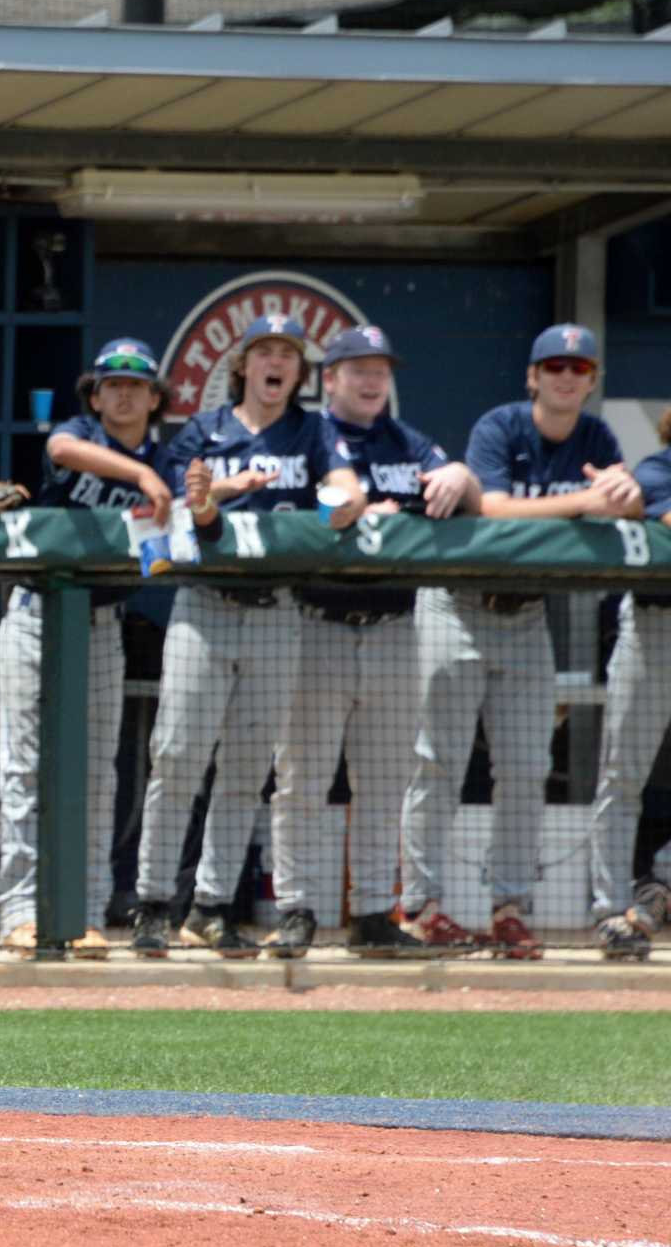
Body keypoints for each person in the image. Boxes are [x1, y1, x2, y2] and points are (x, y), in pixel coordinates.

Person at [399, 322, 641, 960]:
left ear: (591, 381)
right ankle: (421, 908)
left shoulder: (596, 436)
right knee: (437, 761)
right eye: (555, 367)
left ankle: (509, 908)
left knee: (528, 768)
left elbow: (620, 506)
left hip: (527, 615)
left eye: (579, 369)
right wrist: (587, 500)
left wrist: (619, 495)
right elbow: (496, 510)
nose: (567, 377)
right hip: (458, 605)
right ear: (533, 377)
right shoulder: (500, 426)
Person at [132, 311, 361, 959]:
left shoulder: (312, 430)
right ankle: (152, 902)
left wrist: (321, 503)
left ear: (299, 369)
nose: (276, 362)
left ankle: (208, 906)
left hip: (276, 610)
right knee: (176, 756)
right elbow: (160, 522)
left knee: (245, 769)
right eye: (264, 350)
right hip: (205, 605)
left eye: (287, 353)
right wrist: (220, 491)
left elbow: (346, 497)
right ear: (243, 363)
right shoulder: (204, 430)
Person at [266, 325, 481, 960]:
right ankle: (296, 908)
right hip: (317, 622)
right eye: (355, 368)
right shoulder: (307, 435)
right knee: (301, 780)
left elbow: (468, 491)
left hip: (393, 625)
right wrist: (360, 507)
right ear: (328, 378)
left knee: (384, 781)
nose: (370, 379)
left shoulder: (405, 440)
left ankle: (370, 916)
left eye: (379, 368)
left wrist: (461, 476)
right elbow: (322, 499)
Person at [0, 338, 169, 960]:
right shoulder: (79, 433)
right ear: (95, 396)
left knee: (98, 777)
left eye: (136, 383)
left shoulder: (169, 458)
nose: (122, 392)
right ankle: (18, 912)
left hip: (101, 624)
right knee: (23, 770)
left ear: (155, 396)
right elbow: (61, 450)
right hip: (35, 614)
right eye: (111, 383)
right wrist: (142, 474)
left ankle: (88, 913)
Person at [589, 408, 671, 960]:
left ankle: (657, 886)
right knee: (622, 773)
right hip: (656, 625)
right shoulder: (658, 468)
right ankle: (609, 911)